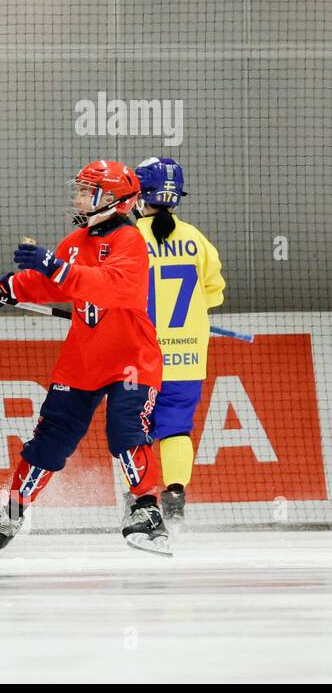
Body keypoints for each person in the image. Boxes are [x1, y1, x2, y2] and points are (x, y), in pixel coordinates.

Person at [0, 159, 169, 555]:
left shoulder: (129, 241)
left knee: (126, 431)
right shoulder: (77, 241)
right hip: (83, 359)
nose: (78, 198)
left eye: (86, 191)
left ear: (114, 199)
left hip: (131, 358)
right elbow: (50, 283)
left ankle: (148, 509)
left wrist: (56, 267)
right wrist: (9, 286)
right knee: (50, 439)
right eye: (79, 190)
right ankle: (14, 510)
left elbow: (110, 285)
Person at [135, 156, 225, 525]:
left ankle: (140, 501)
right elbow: (214, 293)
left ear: (140, 195)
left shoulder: (128, 237)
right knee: (176, 427)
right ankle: (174, 500)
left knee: (133, 428)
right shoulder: (196, 239)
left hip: (138, 353)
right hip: (188, 353)